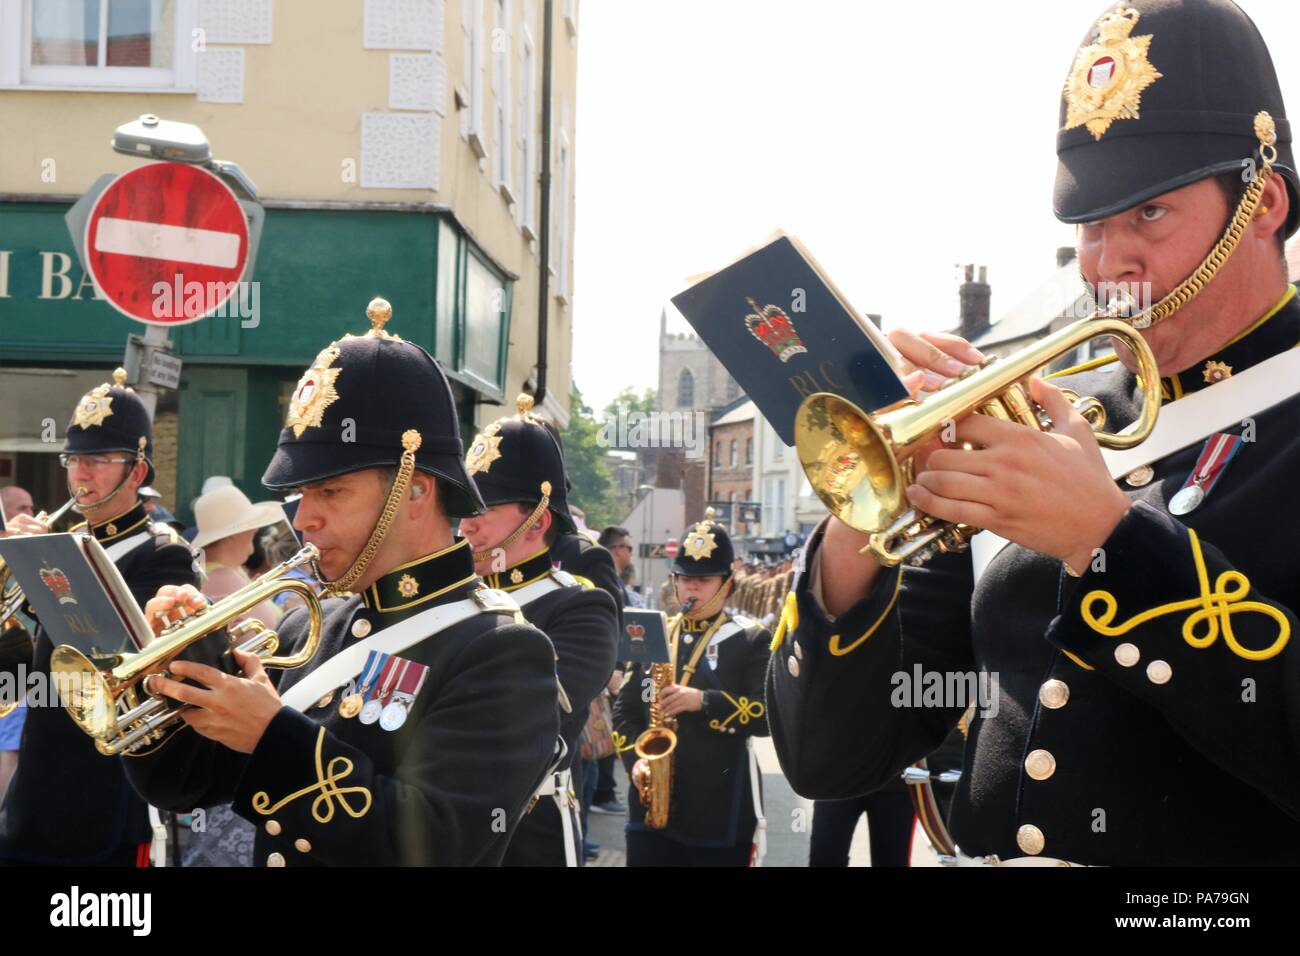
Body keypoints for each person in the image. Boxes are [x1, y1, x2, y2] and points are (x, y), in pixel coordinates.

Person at [767, 0, 1300, 865]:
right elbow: (834, 760)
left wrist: (1111, 542)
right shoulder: (1049, 419)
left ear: (1263, 202)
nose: (1106, 261)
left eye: (1149, 215)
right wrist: (859, 523)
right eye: (1090, 224)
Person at [122, 298, 562, 867]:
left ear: (417, 489)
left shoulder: (503, 651)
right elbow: (187, 785)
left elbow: (438, 845)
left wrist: (272, 736)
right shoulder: (309, 621)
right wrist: (175, 675)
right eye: (301, 495)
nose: (303, 518)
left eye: (330, 492)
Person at [0, 370, 199, 866]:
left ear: (136, 471)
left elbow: (124, 660)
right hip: (36, 788)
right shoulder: (64, 546)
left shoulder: (164, 554)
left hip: (103, 795)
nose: (79, 475)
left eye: (96, 460)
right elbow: (33, 671)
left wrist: (43, 572)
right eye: (73, 460)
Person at [459, 395, 619, 866]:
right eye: (463, 505)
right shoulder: (448, 595)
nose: (465, 523)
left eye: (482, 508)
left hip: (530, 832)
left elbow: (520, 718)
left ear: (539, 520)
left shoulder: (581, 606)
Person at [615, 509, 771, 866]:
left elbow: (766, 717)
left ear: (727, 583)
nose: (692, 587)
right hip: (649, 804)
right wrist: (636, 762)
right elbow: (623, 710)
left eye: (704, 579)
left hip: (717, 808)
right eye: (685, 579)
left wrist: (703, 701)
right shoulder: (654, 632)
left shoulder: (750, 639)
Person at [191, 485, 288, 629]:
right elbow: (270, 631)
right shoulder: (221, 576)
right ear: (231, 534)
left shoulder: (226, 571)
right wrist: (293, 611)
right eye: (249, 524)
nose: (255, 529)